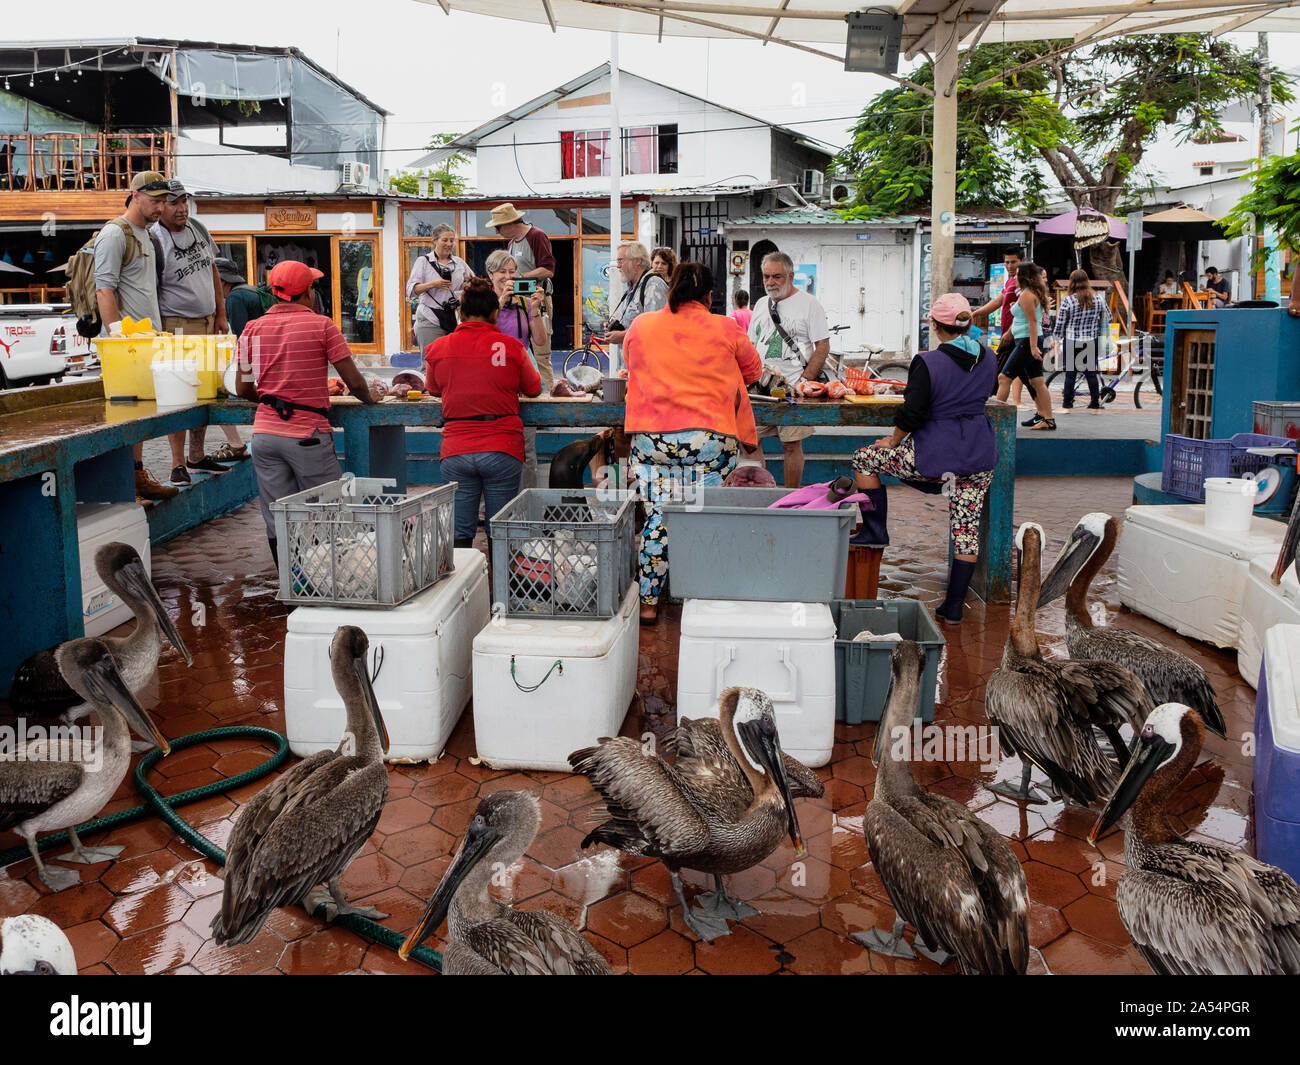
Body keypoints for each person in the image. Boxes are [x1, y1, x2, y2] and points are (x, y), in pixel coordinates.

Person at [624, 261, 762, 624]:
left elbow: (631, 362)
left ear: (671, 288)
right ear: (710, 295)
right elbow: (753, 371)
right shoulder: (725, 327)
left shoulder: (642, 325)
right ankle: (703, 599)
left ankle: (650, 603)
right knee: (707, 516)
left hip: (653, 440)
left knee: (658, 517)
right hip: (710, 442)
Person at [852, 293, 998, 625]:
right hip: (977, 459)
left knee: (864, 458)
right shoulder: (989, 357)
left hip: (933, 461)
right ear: (967, 322)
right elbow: (985, 394)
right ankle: (954, 607)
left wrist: (892, 441)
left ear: (934, 325)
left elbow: (912, 414)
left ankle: (875, 531)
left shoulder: (927, 361)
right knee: (965, 529)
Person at [233, 260, 375, 567]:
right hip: (306, 436)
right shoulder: (322, 325)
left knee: (278, 513)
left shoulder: (251, 328)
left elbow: (242, 388)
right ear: (307, 293)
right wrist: (371, 397)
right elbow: (354, 381)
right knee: (329, 510)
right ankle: (327, 585)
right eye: (312, 286)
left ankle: (293, 586)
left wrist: (274, 399)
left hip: (264, 436)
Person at [424, 276, 543, 547]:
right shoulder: (511, 347)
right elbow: (534, 388)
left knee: (460, 535)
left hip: (456, 449)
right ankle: (502, 588)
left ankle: (466, 587)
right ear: (495, 313)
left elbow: (432, 388)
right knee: (500, 532)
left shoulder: (438, 348)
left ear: (460, 313)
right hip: (502, 448)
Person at [93, 170, 180, 502]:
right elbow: (104, 291)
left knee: (141, 411)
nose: (161, 207)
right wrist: (118, 340)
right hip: (125, 347)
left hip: (146, 342)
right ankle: (125, 485)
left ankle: (137, 474)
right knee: (125, 413)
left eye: (164, 201)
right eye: (156, 200)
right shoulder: (115, 234)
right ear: (135, 195)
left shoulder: (147, 234)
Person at [151, 178, 244, 482]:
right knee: (178, 394)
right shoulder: (155, 238)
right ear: (160, 204)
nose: (181, 208)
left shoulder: (198, 228)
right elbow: (152, 287)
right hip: (175, 324)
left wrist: (221, 311)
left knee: (204, 390)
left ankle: (197, 455)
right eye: (174, 202)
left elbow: (213, 269)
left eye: (184, 201)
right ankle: (178, 463)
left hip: (207, 321)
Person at [748, 251, 830, 487]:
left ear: (791, 276)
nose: (770, 282)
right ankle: (761, 493)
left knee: (791, 444)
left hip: (793, 389)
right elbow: (751, 344)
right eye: (766, 277)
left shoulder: (809, 304)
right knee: (750, 440)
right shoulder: (762, 304)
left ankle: (790, 496)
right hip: (760, 387)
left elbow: (822, 346)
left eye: (777, 277)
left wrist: (805, 381)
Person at [486, 203, 556, 388]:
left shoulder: (535, 235)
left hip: (535, 300)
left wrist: (520, 280)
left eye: (498, 227)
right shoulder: (511, 243)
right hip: (510, 301)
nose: (497, 232)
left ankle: (547, 394)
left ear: (509, 223)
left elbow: (549, 270)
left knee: (541, 354)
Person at [997, 261, 1056, 431]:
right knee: (1036, 381)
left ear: (1023, 276)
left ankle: (997, 421)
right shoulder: (1027, 293)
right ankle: (1048, 419)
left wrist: (1032, 347)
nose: (1014, 277)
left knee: (1004, 377)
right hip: (1025, 341)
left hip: (1026, 342)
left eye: (1016, 274)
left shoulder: (1027, 295)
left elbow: (1032, 322)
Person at [974, 246, 1030, 409]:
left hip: (1015, 335)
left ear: (1022, 261)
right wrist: (976, 313)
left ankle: (990, 410)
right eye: (1007, 262)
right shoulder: (1011, 280)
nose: (1010, 266)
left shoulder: (1023, 282)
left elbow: (1026, 312)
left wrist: (1010, 332)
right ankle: (1045, 415)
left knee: (1000, 374)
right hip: (1013, 334)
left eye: (1014, 262)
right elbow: (999, 301)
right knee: (1030, 378)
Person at [406, 223, 473, 352]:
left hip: (454, 317)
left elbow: (473, 282)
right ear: (435, 240)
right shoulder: (423, 261)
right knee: (431, 361)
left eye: (452, 240)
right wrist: (433, 284)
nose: (449, 244)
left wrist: (466, 287)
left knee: (453, 361)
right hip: (429, 317)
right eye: (445, 240)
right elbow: (410, 291)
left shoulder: (459, 262)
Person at [1053, 268, 1111, 414]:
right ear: (1087, 281)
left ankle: (1067, 404)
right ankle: (1094, 404)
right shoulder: (1098, 299)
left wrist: (1055, 339)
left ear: (1072, 282)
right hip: (1091, 340)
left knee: (1070, 374)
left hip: (1072, 341)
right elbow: (1108, 317)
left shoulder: (1068, 301)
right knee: (1091, 373)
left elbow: (1060, 323)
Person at [604, 242, 669, 347]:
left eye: (621, 261)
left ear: (637, 261)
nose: (618, 266)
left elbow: (656, 327)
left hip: (647, 361)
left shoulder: (653, 285)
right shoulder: (632, 287)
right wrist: (616, 329)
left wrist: (623, 335)